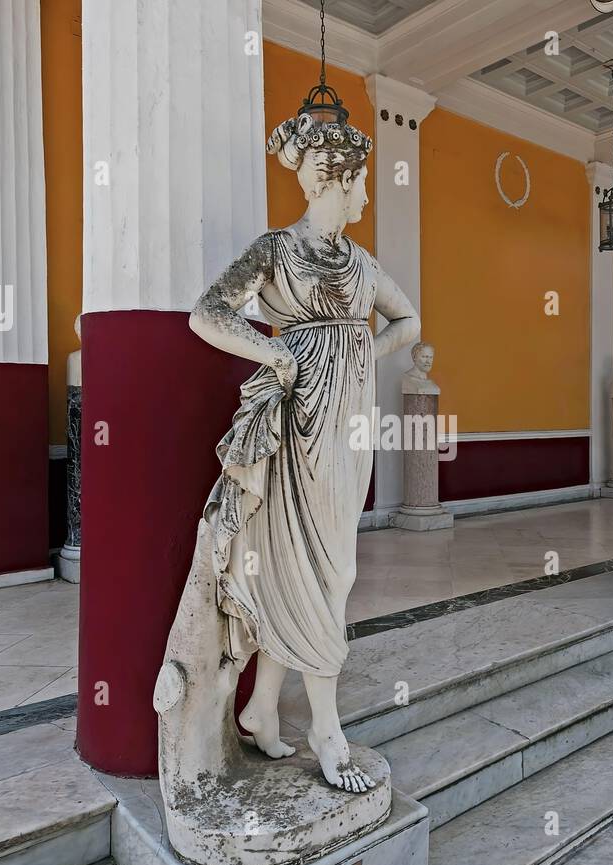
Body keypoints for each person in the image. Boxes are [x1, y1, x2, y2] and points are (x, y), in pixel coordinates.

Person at [184, 112, 420, 793]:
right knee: (322, 573)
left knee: (320, 569)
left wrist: (359, 360)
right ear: (334, 179)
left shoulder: (363, 263)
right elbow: (209, 313)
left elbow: (410, 321)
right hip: (298, 424)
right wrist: (278, 349)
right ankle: (325, 729)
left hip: (349, 428)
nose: (368, 195)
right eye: (362, 183)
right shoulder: (276, 251)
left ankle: (261, 709)